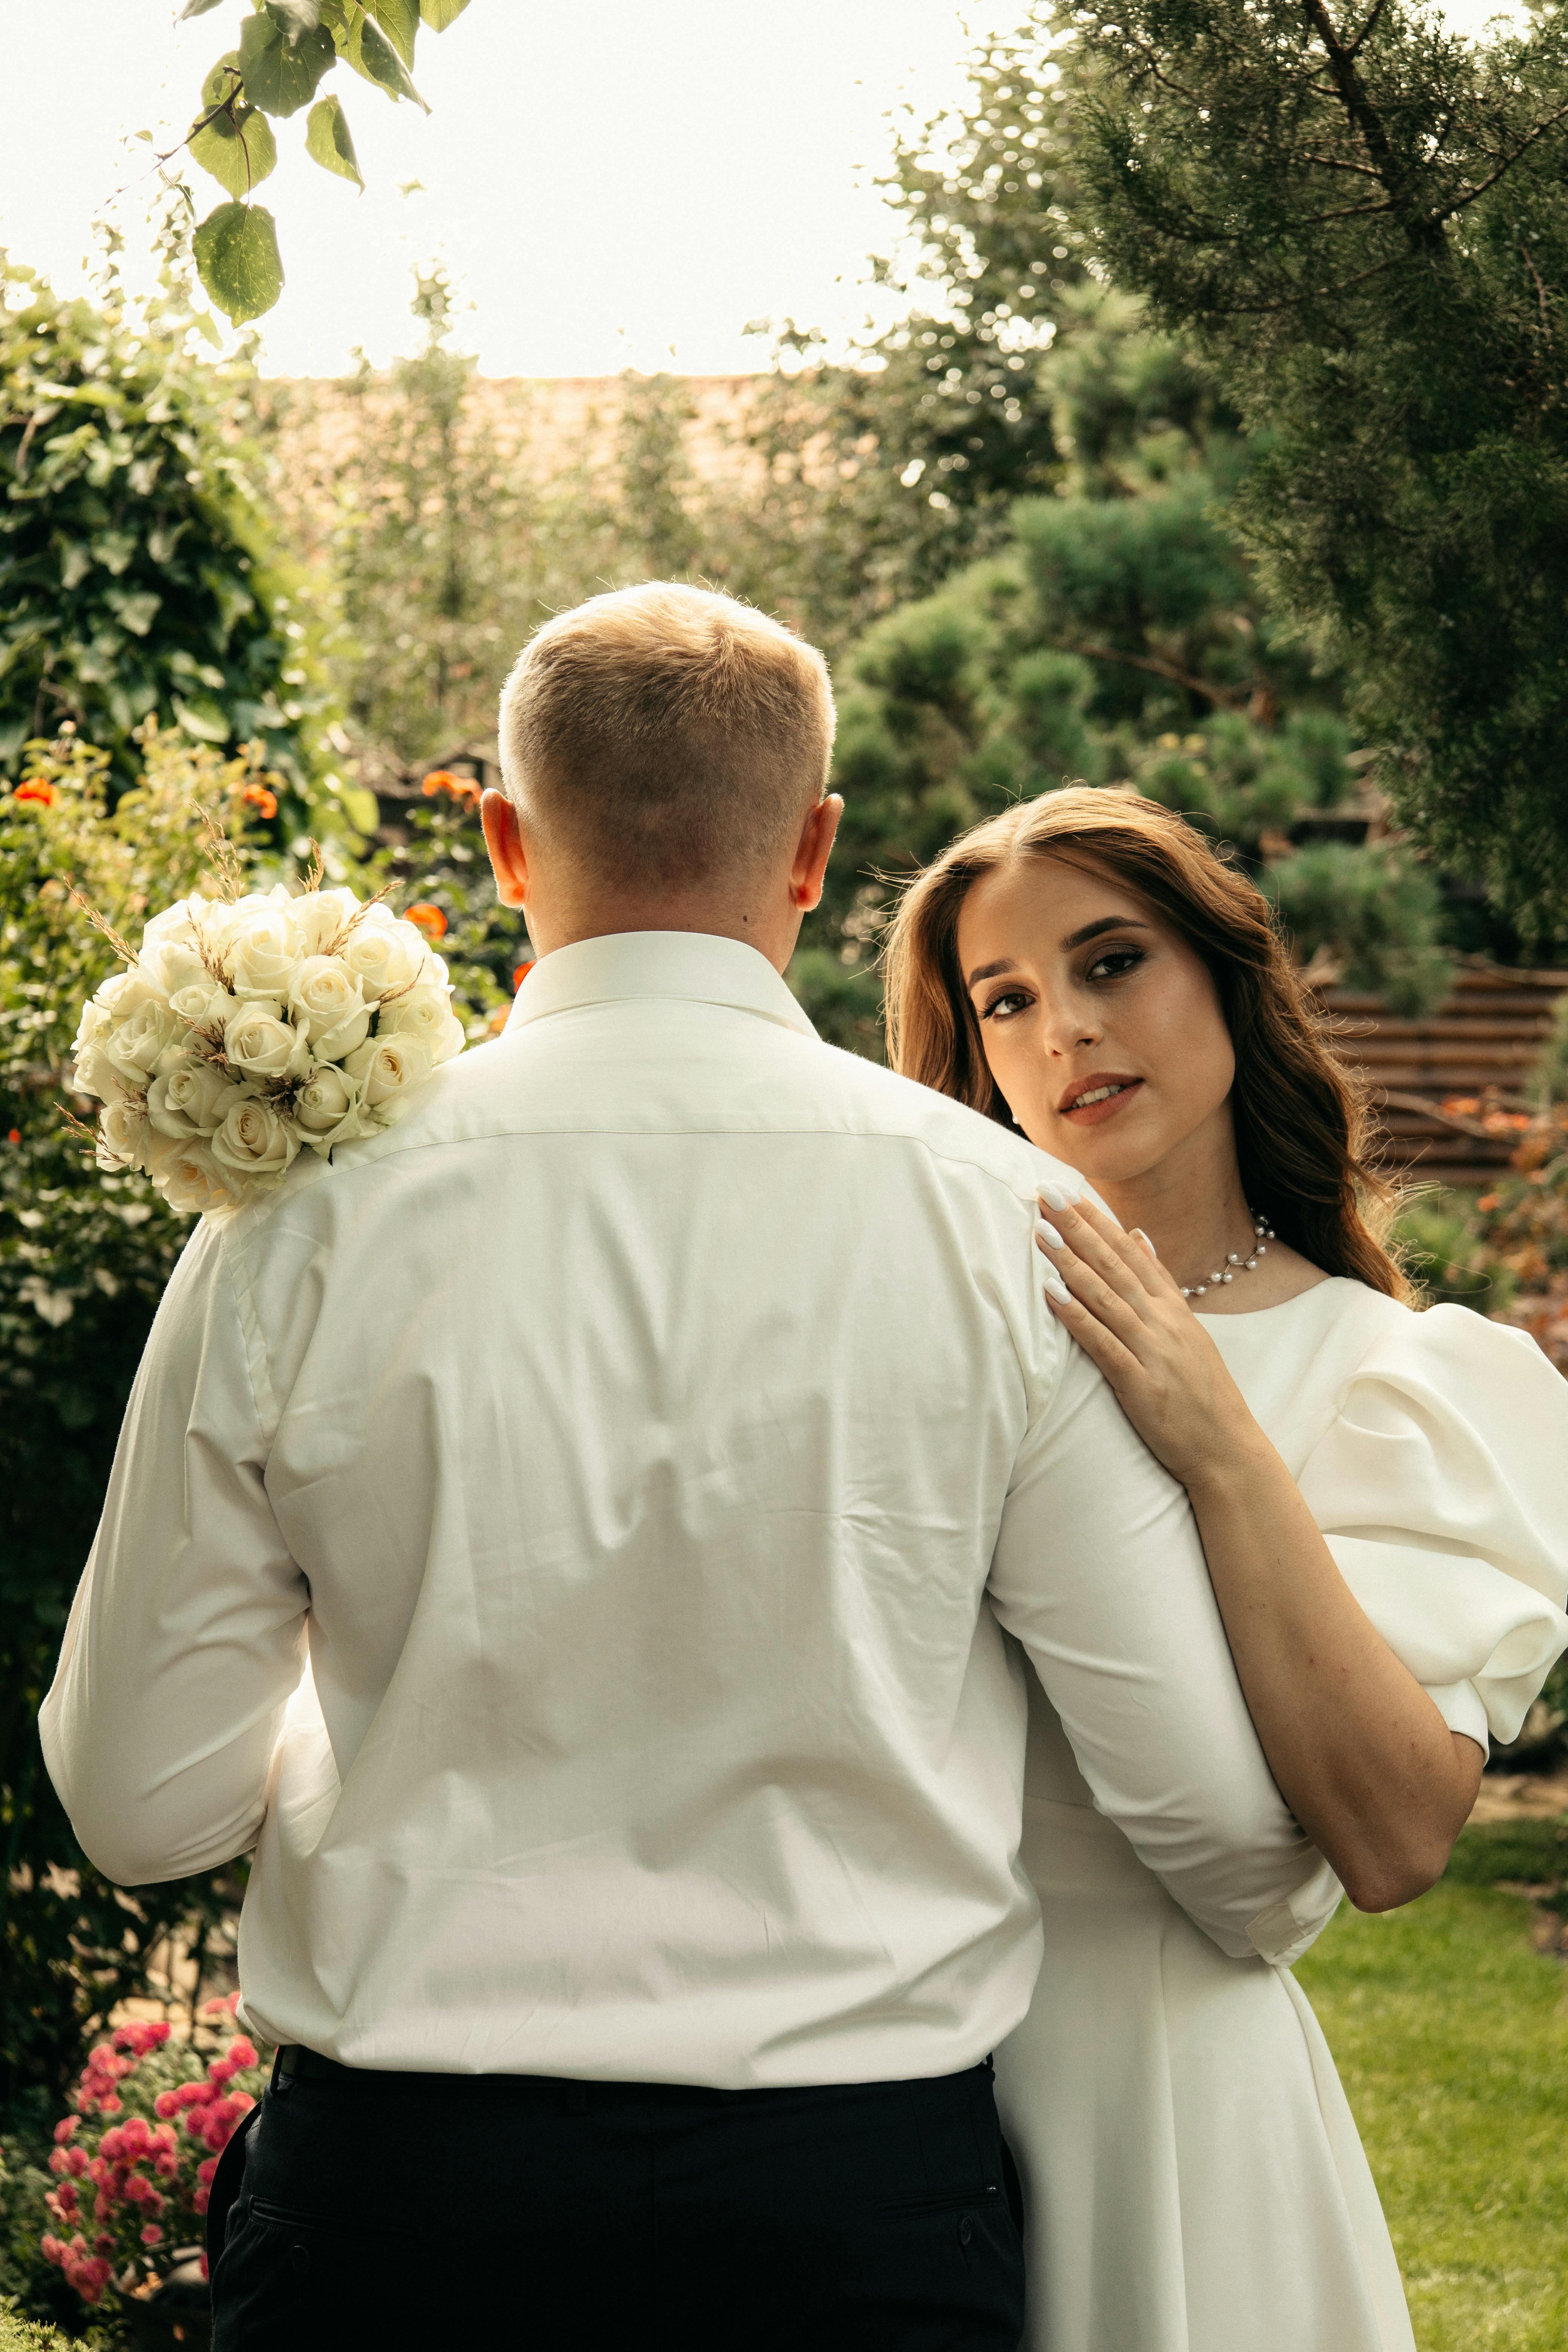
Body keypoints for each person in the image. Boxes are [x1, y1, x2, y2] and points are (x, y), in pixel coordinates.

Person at [40, 589, 1337, 2352]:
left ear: (503, 840)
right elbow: (1225, 1843)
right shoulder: (1017, 1226)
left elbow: (139, 1807)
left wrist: (382, 1715)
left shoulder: (290, 1227)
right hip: (854, 2222)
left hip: (400, 2218)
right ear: (813, 849)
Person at [884, 784, 1568, 2352]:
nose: (1064, 1026)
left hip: (1170, 2106)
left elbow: (1393, 1837)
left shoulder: (1401, 1378)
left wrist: (1218, 1444)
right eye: (1005, 1000)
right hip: (881, 2085)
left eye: (1110, 961)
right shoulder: (913, 1338)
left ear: (1226, 978)